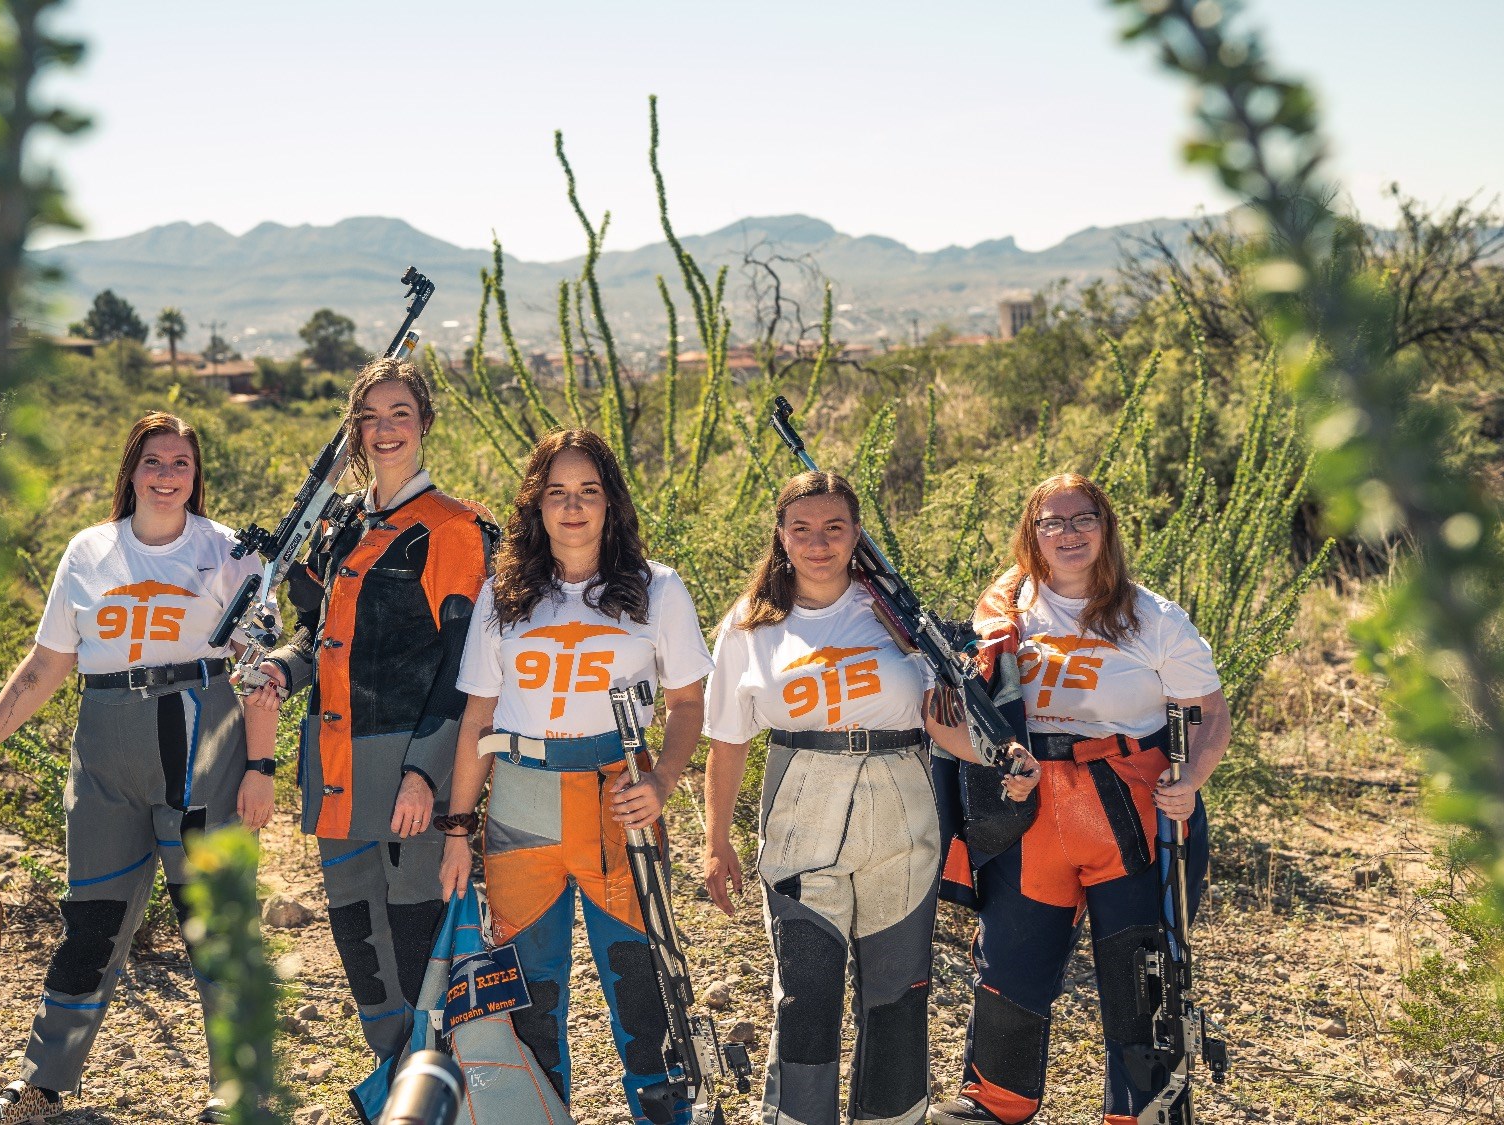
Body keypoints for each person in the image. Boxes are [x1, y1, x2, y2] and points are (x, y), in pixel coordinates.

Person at [0, 410, 278, 1124]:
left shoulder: (227, 552)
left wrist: (262, 763)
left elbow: (257, 668)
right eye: (154, 462)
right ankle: (43, 1081)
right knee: (91, 921)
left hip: (205, 747)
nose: (167, 476)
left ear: (197, 476)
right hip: (105, 749)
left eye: (181, 464)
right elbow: (46, 665)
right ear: (130, 471)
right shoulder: (89, 550)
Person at [698, 470, 1032, 1125]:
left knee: (896, 993)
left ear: (857, 534)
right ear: (780, 535)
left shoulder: (898, 617)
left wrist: (1004, 759)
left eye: (833, 527)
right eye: (801, 528)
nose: (817, 543)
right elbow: (728, 743)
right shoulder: (750, 625)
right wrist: (715, 842)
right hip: (801, 816)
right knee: (806, 991)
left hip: (901, 818)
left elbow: (942, 722)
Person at [925, 472, 1228, 1125]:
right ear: (1031, 532)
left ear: (1105, 526)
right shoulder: (1003, 611)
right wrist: (995, 761)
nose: (1066, 532)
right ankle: (995, 1101)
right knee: (1010, 955)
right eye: (1050, 521)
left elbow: (1208, 710)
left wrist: (1192, 776)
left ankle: (1141, 1110)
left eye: (1080, 518)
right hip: (1032, 810)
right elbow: (956, 710)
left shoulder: (1151, 615)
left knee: (1139, 968)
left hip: (1131, 811)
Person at [436, 428, 714, 1125]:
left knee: (643, 996)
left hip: (615, 807)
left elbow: (686, 703)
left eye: (588, 491)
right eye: (557, 492)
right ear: (536, 504)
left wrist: (663, 781)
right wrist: (457, 828)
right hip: (521, 807)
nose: (573, 507)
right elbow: (477, 717)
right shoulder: (503, 593)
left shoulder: (658, 587)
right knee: (532, 1000)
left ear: (610, 502)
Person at [256, 356, 496, 1063]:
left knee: (417, 931)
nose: (384, 429)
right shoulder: (337, 525)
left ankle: (441, 1081)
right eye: (370, 416)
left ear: (424, 423)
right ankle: (391, 1077)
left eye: (400, 414)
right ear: (353, 432)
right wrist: (280, 667)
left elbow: (464, 663)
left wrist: (427, 771)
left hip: (407, 768)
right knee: (357, 936)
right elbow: (315, 631)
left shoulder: (453, 527)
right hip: (334, 766)